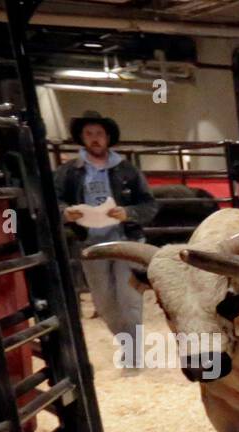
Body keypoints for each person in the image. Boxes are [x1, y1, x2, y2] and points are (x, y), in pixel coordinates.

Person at [53, 110, 157, 365]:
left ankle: (133, 354)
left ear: (108, 137)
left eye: (99, 133)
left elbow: (149, 205)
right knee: (105, 302)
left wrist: (129, 213)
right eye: (89, 134)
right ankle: (126, 343)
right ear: (81, 138)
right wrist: (65, 213)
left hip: (126, 242)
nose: (95, 138)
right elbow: (52, 201)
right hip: (90, 244)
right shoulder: (68, 171)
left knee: (128, 298)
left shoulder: (127, 170)